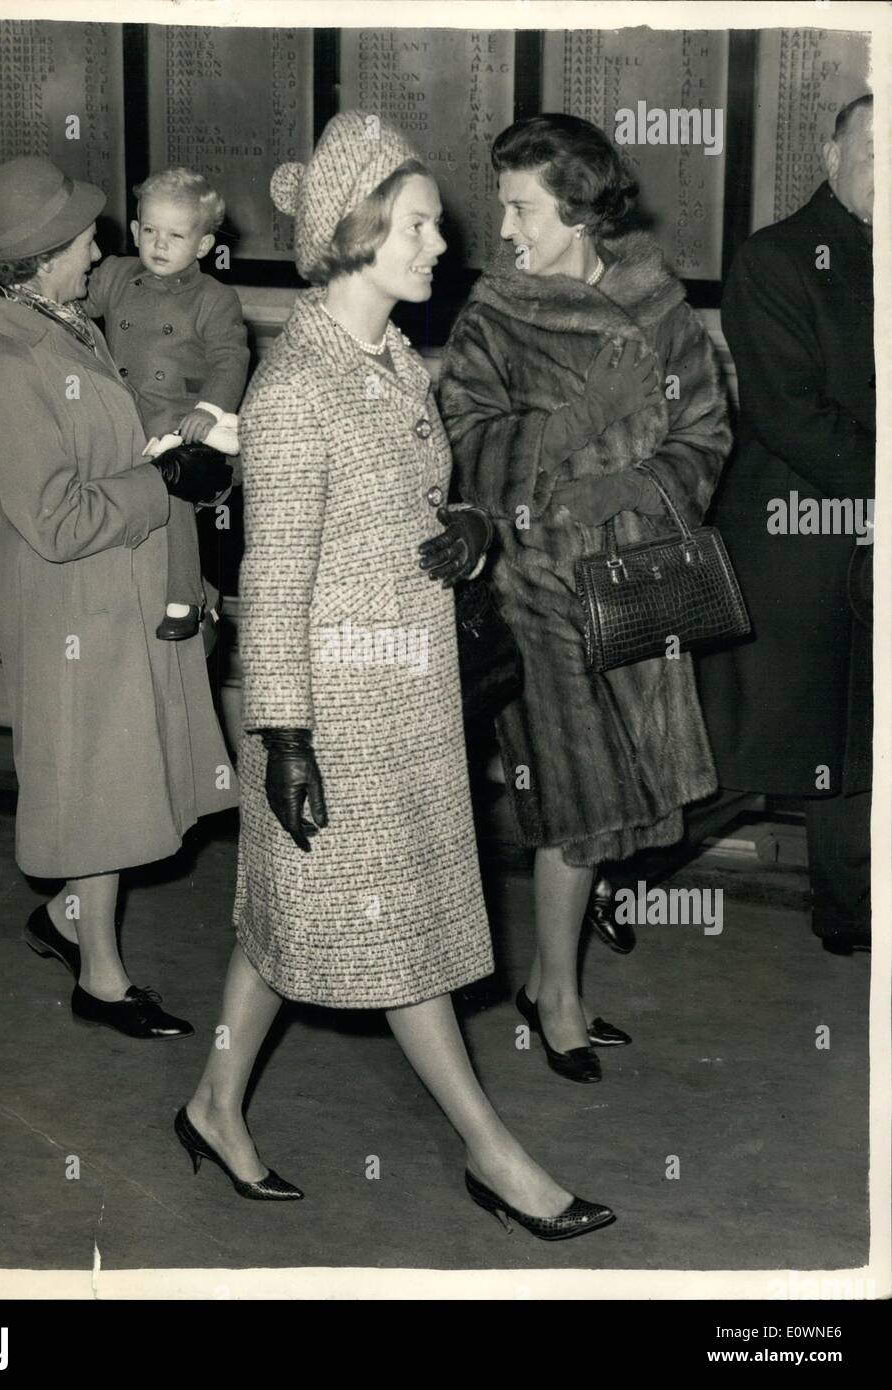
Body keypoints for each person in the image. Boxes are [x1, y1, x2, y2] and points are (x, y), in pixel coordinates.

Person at [173, 112, 615, 1243]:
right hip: (336, 710)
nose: (440, 246)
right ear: (360, 232)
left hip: (411, 695)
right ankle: (495, 1153)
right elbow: (271, 580)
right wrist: (283, 738)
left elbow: (414, 500)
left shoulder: (393, 362)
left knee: (287, 916)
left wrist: (467, 528)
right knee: (400, 932)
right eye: (419, 226)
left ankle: (215, 1101)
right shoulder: (295, 388)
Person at [439, 115, 730, 1083]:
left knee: (632, 797)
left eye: (521, 205)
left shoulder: (655, 299)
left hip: (636, 575)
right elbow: (466, 441)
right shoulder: (493, 313)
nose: (505, 226)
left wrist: (636, 490)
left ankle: (550, 980)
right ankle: (555, 993)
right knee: (580, 800)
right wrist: (579, 430)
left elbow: (705, 428)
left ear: (576, 210)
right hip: (538, 585)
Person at [0, 156, 239, 1039]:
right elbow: (52, 519)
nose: (100, 247)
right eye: (84, 236)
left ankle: (67, 922)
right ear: (45, 254)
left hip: (117, 594)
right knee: (94, 784)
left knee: (113, 782)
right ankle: (101, 979)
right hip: (70, 612)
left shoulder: (69, 322)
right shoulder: (10, 363)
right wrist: (160, 482)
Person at [697, 94, 874, 956]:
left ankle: (850, 917)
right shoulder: (775, 260)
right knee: (748, 755)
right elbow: (791, 414)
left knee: (862, 746)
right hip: (794, 548)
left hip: (864, 543)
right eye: (873, 152)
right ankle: (603, 875)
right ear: (829, 154)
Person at [85, 167, 250, 643]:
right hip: (118, 416)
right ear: (135, 230)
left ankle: (184, 596)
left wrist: (210, 410)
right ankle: (199, 593)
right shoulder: (115, 274)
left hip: (176, 420)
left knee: (170, 486)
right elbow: (75, 304)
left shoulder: (214, 299)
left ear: (202, 245)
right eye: (150, 231)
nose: (159, 244)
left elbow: (229, 359)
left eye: (176, 235)